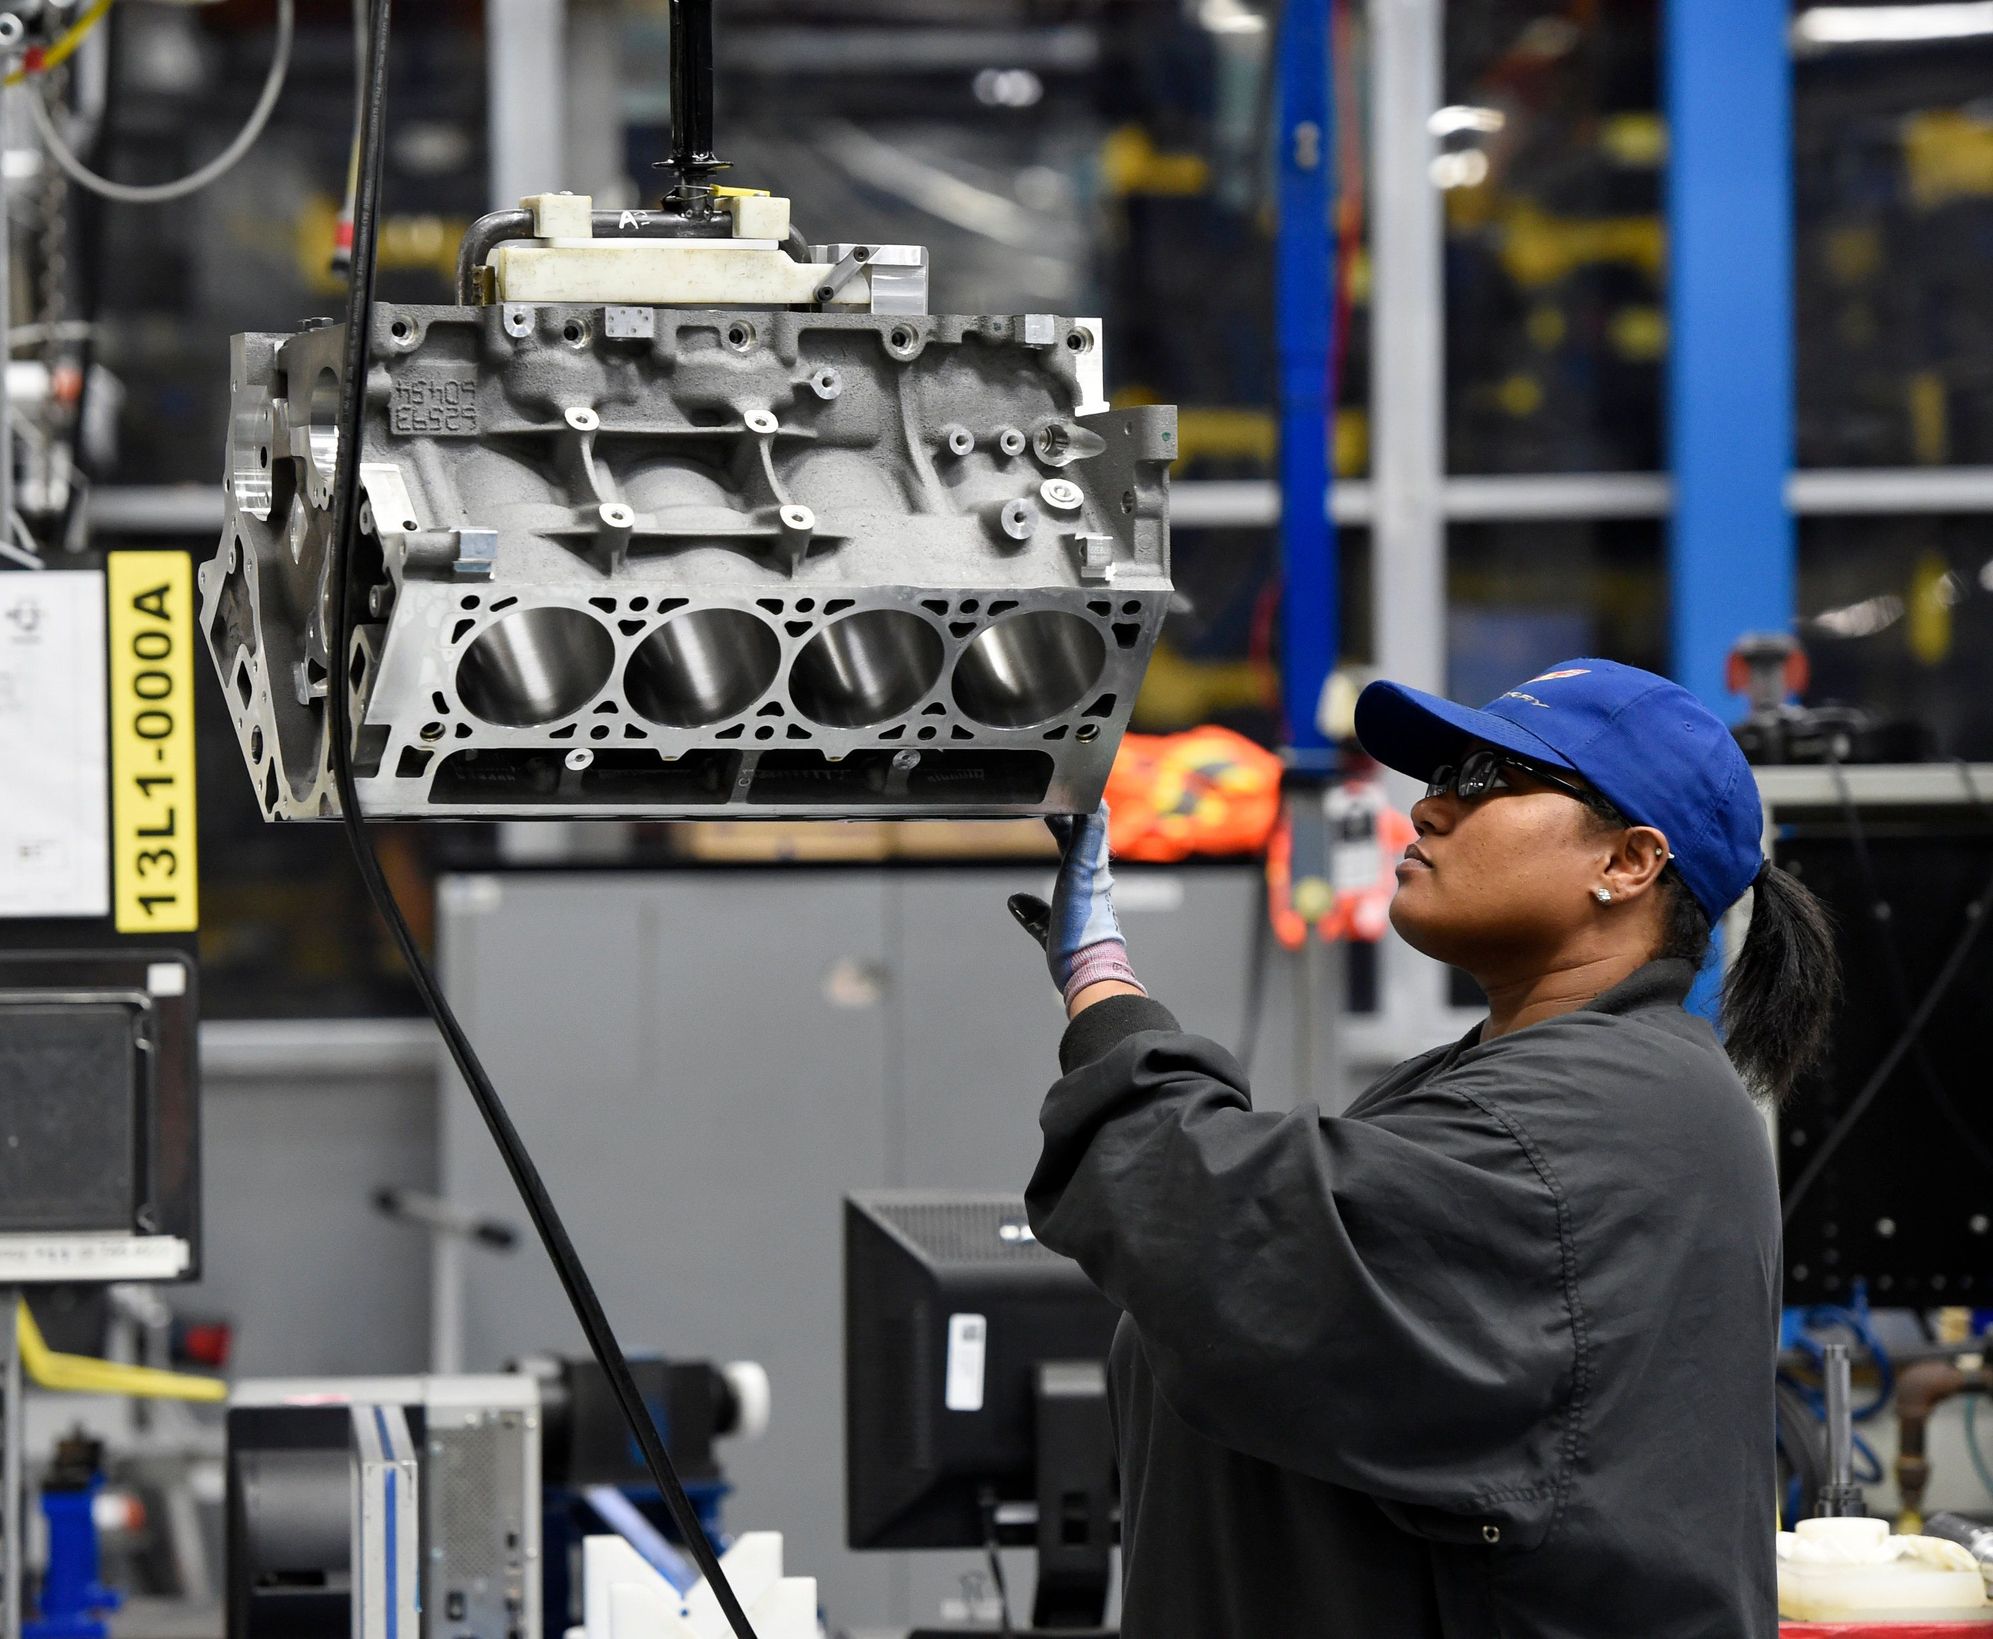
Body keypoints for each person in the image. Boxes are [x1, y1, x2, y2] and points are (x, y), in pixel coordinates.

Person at [1007, 658, 1838, 1639]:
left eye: (1482, 782)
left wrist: (1102, 985)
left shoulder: (1601, 1112)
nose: (1428, 810)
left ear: (1627, 862)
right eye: (1437, 780)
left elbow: (1211, 1230)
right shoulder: (1499, 1083)